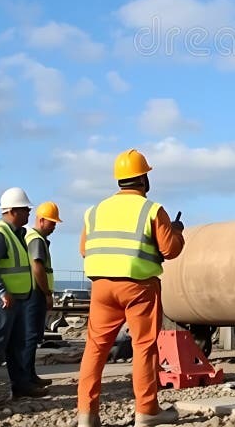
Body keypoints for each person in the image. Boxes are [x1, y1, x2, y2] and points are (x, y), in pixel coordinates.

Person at [75, 149, 185, 427]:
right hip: (139, 288)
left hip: (101, 288)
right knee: (144, 347)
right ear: (144, 179)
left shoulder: (94, 211)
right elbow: (170, 250)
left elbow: (84, 250)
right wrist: (177, 232)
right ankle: (146, 410)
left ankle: (86, 414)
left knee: (96, 348)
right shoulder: (152, 210)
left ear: (119, 180)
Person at [0, 187, 47, 407]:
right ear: (13, 211)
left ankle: (21, 385)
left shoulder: (16, 234)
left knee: (16, 343)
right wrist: (2, 291)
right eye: (25, 209)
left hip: (14, 297)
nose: (28, 214)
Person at [24, 201, 63, 387]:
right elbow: (37, 267)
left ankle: (29, 376)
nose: (54, 226)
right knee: (31, 337)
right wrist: (47, 293)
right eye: (52, 222)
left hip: (31, 293)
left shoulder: (32, 237)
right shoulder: (36, 240)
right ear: (41, 220)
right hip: (34, 294)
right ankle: (27, 378)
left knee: (30, 337)